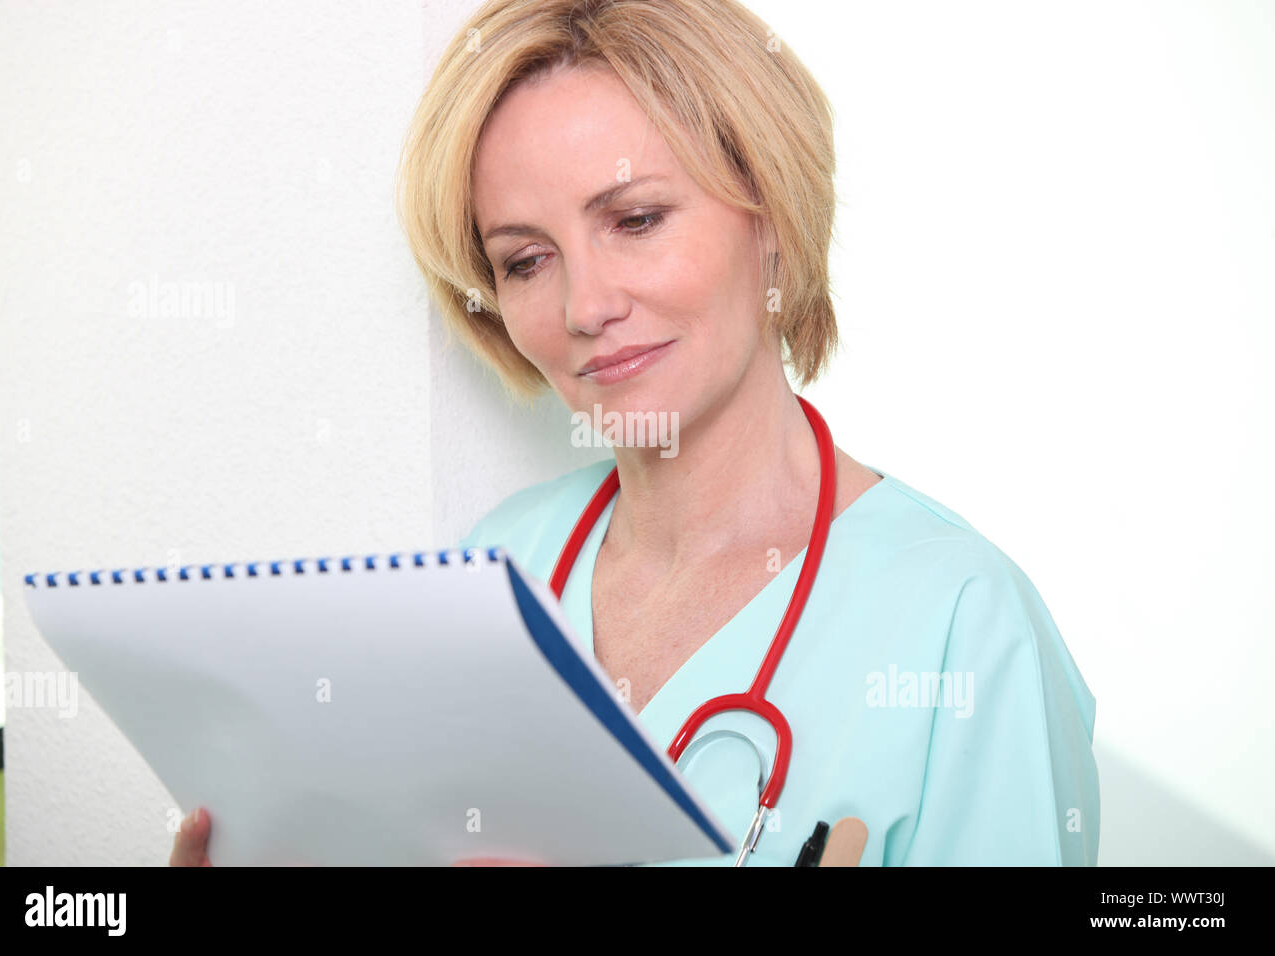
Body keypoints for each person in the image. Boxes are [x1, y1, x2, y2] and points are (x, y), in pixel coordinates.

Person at [173, 0, 1099, 867]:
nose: (584, 306)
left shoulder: (964, 626)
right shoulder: (494, 567)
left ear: (769, 216)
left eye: (636, 219)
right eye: (526, 260)